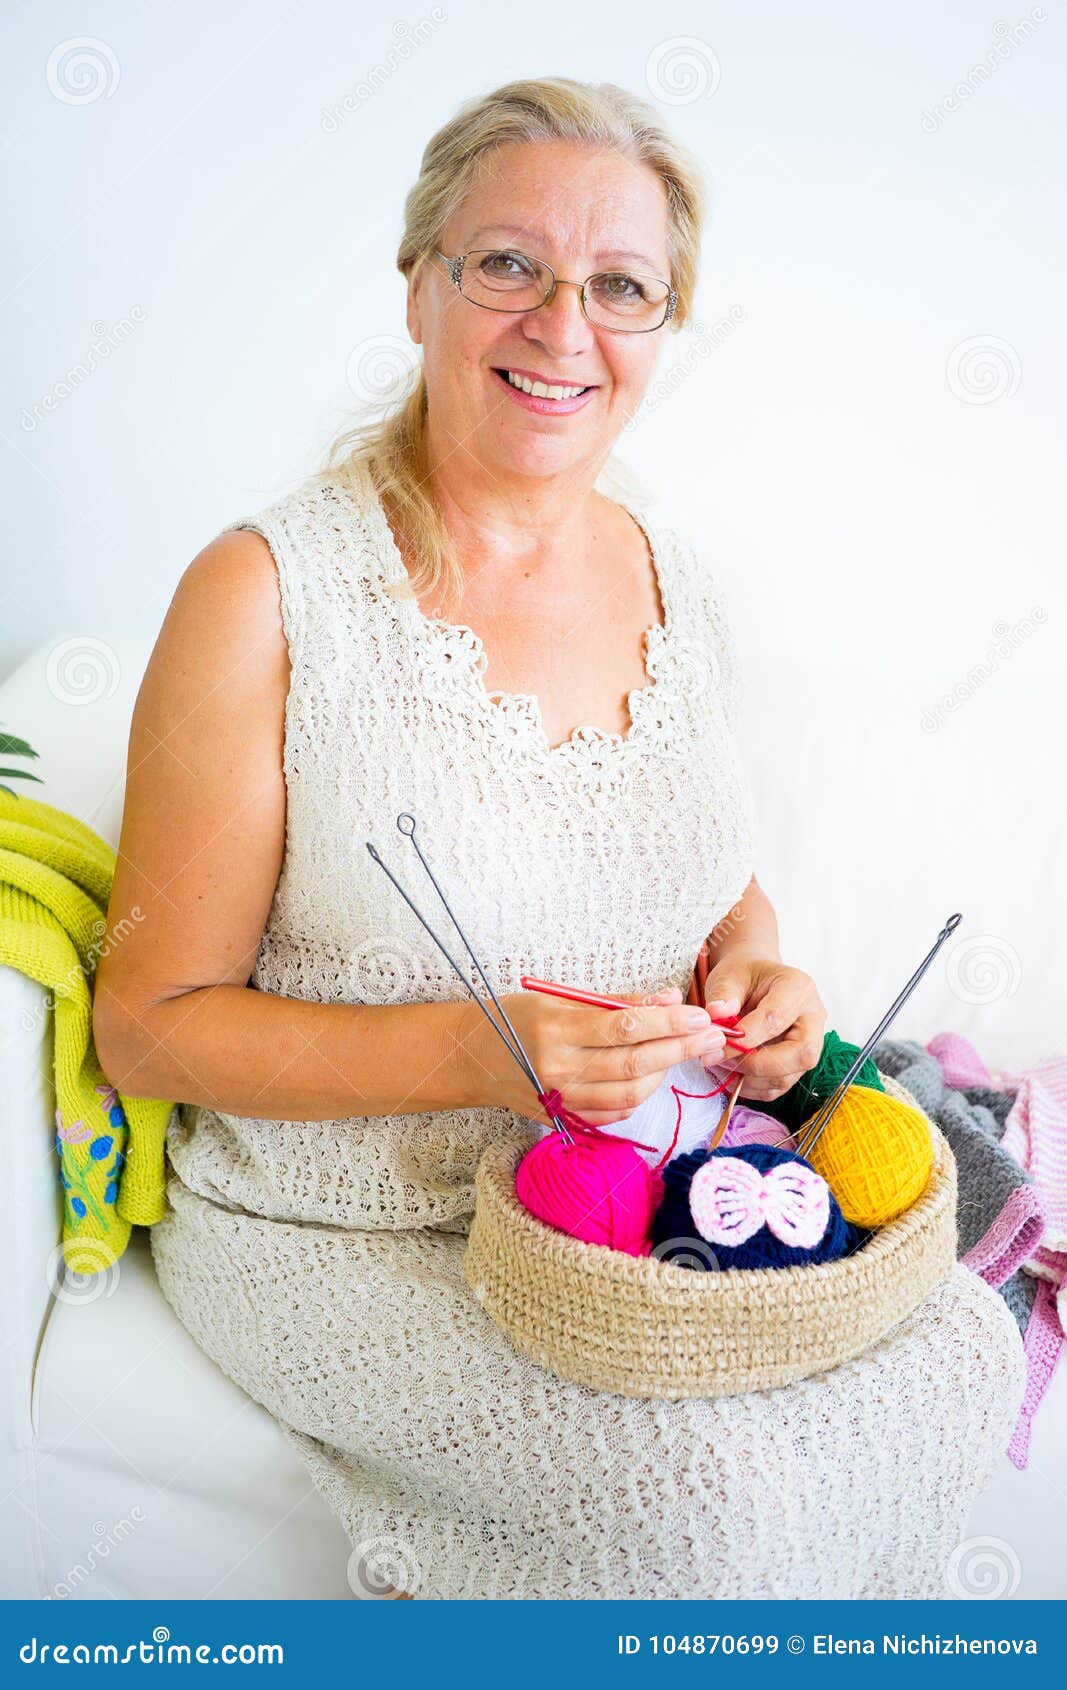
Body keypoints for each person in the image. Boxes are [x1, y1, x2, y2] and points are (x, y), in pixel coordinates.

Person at [93, 77, 1018, 1600]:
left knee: (963, 1349)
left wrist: (760, 964)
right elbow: (146, 1027)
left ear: (663, 329)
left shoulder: (676, 573)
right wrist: (475, 1052)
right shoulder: (268, 596)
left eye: (620, 286)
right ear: (419, 287)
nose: (562, 324)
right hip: (342, 1226)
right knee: (691, 1517)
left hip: (629, 1199)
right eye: (508, 264)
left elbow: (712, 873)